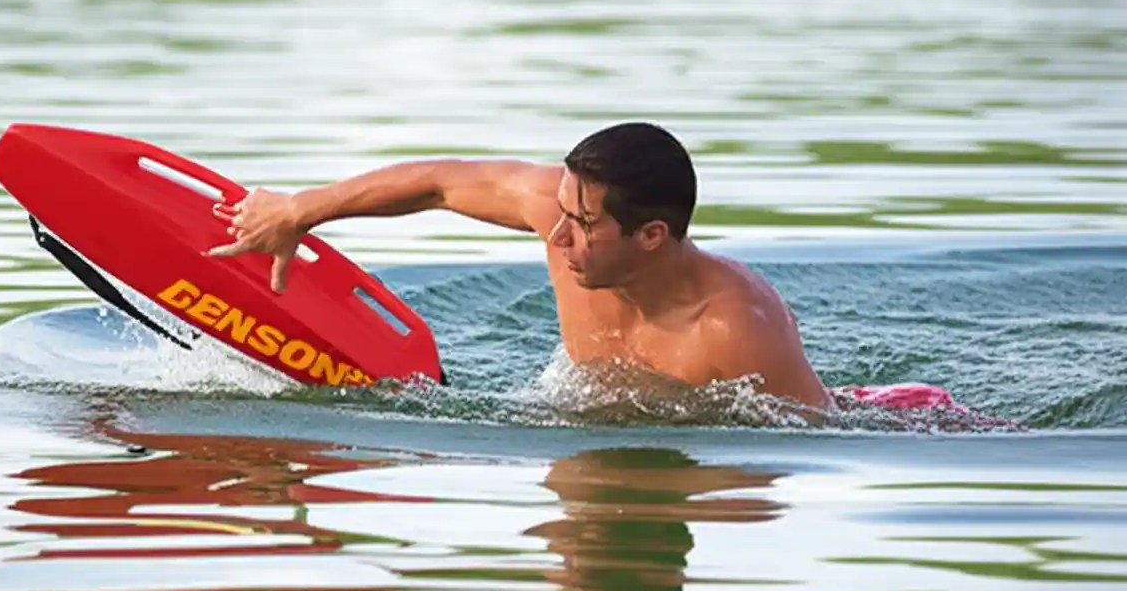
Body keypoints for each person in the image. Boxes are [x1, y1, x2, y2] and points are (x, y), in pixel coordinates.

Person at [208, 122, 835, 411]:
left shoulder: (735, 328)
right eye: (558, 211)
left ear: (651, 235)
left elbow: (808, 438)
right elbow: (441, 184)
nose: (554, 237)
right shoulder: (565, 219)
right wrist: (299, 210)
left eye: (582, 225)